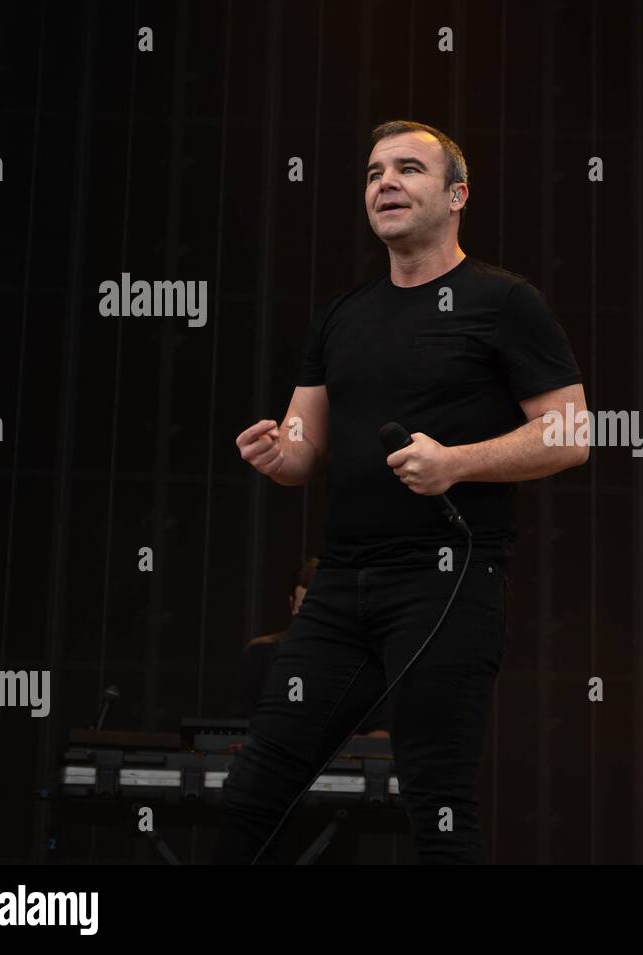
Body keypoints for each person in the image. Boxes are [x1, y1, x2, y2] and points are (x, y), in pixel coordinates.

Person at [216, 120, 588, 864]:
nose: (383, 181)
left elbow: (570, 433)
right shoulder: (343, 313)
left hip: (445, 581)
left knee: (437, 805)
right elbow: (303, 449)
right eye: (373, 171)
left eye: (407, 169)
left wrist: (455, 463)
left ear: (456, 196)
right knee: (253, 790)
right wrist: (274, 450)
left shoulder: (503, 302)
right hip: (341, 585)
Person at [231, 557, 393, 735]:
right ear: (292, 605)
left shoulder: (361, 663)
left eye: (321, 612)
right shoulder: (258, 656)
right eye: (305, 610)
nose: (313, 621)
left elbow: (380, 732)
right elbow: (240, 731)